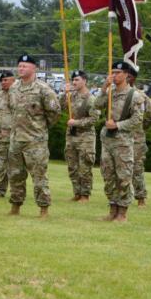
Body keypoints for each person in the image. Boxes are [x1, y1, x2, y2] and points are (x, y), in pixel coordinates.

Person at [7, 54, 61, 217]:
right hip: (16, 139)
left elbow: (54, 112)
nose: (21, 68)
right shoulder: (14, 87)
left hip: (35, 141)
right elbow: (13, 110)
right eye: (20, 65)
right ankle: (15, 207)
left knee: (39, 177)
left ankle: (43, 209)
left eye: (25, 66)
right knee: (15, 175)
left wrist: (40, 128)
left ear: (34, 68)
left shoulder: (43, 89)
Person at [95, 61, 145, 222]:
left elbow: (137, 120)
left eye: (117, 72)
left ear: (126, 75)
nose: (114, 75)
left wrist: (118, 125)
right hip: (107, 141)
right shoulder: (110, 93)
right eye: (112, 72)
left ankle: (122, 212)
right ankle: (112, 209)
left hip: (122, 142)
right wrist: (104, 87)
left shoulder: (135, 95)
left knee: (123, 177)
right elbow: (96, 105)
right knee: (108, 176)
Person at [60, 70, 99, 203]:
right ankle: (77, 192)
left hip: (85, 137)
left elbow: (94, 119)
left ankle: (85, 195)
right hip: (71, 136)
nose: (74, 82)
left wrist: (76, 122)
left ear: (84, 81)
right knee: (72, 166)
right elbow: (61, 107)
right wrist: (64, 93)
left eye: (77, 80)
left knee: (85, 167)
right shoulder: (72, 96)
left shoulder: (91, 99)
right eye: (73, 80)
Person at [128, 69, 151, 207]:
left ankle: (141, 198)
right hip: (118, 137)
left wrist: (142, 127)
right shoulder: (114, 95)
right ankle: (120, 198)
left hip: (136, 139)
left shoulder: (141, 96)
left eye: (127, 75)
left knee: (137, 168)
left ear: (132, 78)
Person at [0, 70, 15, 197]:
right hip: (1, 137)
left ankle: (16, 192)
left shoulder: (19, 95)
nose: (3, 82)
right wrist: (2, 122)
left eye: (6, 80)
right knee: (1, 166)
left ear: (13, 81)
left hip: (17, 137)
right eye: (2, 80)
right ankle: (0, 191)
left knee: (16, 167)